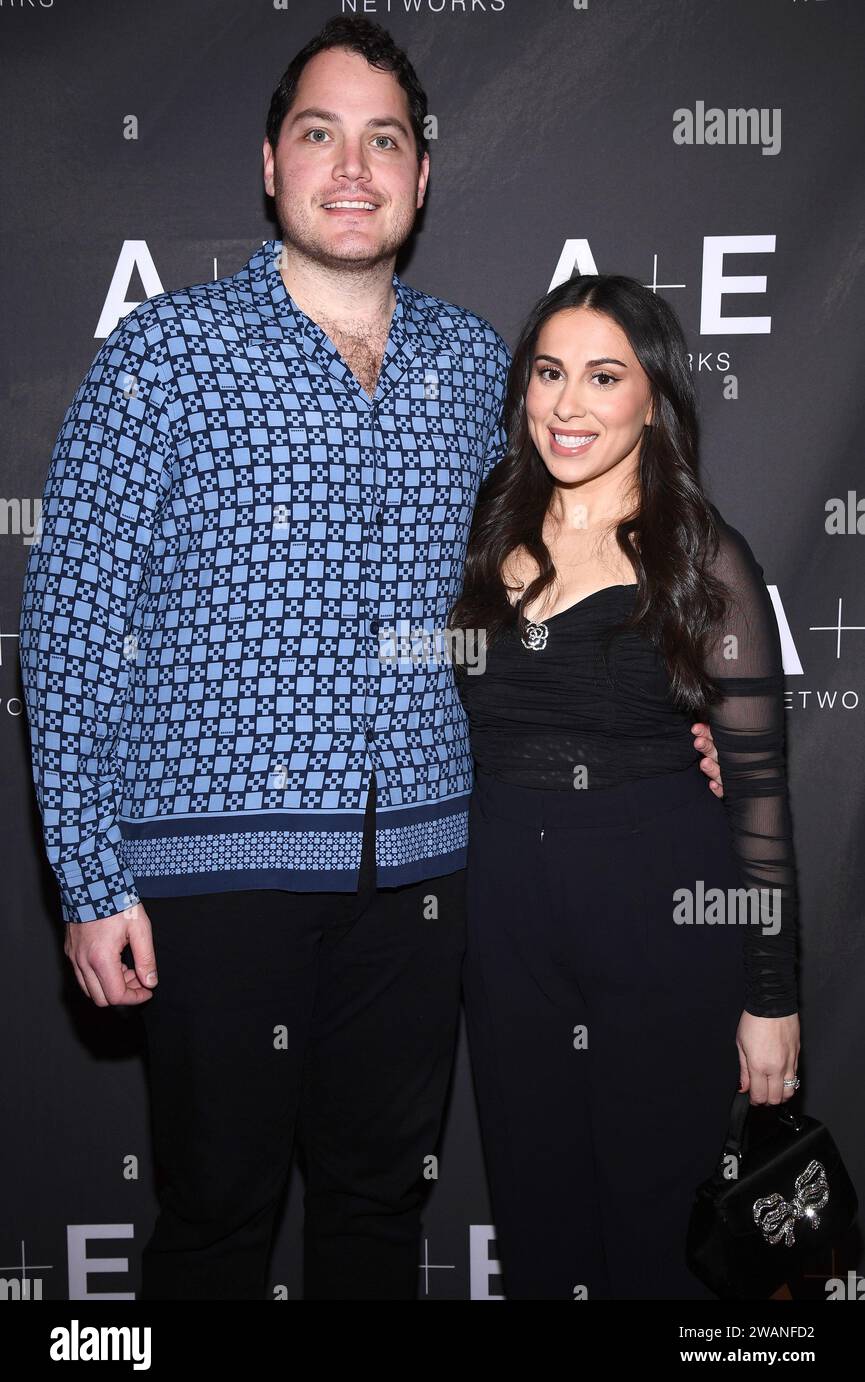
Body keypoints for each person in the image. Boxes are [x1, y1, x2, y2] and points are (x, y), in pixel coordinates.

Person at [18, 17, 721, 1301]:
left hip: (424, 881)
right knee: (216, 1219)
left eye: (383, 138)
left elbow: (565, 564)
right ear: (271, 166)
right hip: (210, 873)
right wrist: (87, 870)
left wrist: (667, 726)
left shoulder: (472, 368)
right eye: (320, 134)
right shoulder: (161, 361)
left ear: (422, 173)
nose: (353, 166)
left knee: (375, 1213)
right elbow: (70, 627)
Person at [450, 274, 801, 1300]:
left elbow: (760, 804)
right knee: (537, 1218)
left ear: (654, 397)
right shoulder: (482, 532)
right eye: (548, 373)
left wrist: (771, 1001)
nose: (567, 405)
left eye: (603, 377)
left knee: (657, 1226)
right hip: (504, 926)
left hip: (663, 918)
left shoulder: (702, 556)